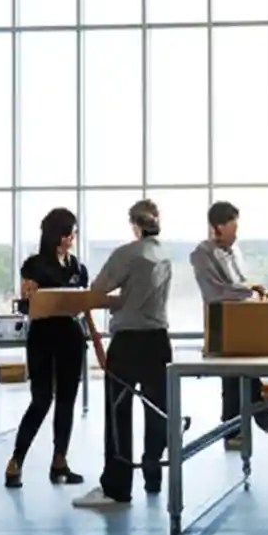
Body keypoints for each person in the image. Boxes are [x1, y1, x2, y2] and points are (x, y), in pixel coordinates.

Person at [73, 199, 174, 509]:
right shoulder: (165, 255)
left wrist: (114, 302)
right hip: (159, 340)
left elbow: (97, 290)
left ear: (135, 225)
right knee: (158, 410)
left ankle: (117, 488)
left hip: (129, 342)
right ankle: (153, 474)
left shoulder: (127, 254)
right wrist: (126, 300)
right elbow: (144, 296)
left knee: (119, 413)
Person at [5, 208, 91, 489]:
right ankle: (16, 460)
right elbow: (27, 304)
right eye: (68, 233)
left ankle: (59, 461)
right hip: (43, 337)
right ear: (58, 235)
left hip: (71, 337)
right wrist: (31, 296)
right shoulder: (34, 266)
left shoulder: (78, 267)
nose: (72, 238)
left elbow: (83, 301)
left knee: (67, 399)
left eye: (73, 233)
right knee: (41, 399)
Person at [190, 201, 268, 451]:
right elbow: (216, 291)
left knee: (243, 377)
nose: (237, 234)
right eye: (233, 227)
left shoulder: (234, 252)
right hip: (221, 324)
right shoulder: (202, 254)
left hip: (242, 323)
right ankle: (237, 430)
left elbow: (239, 283)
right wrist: (248, 291)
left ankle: (248, 422)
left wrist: (251, 289)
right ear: (218, 227)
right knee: (231, 381)